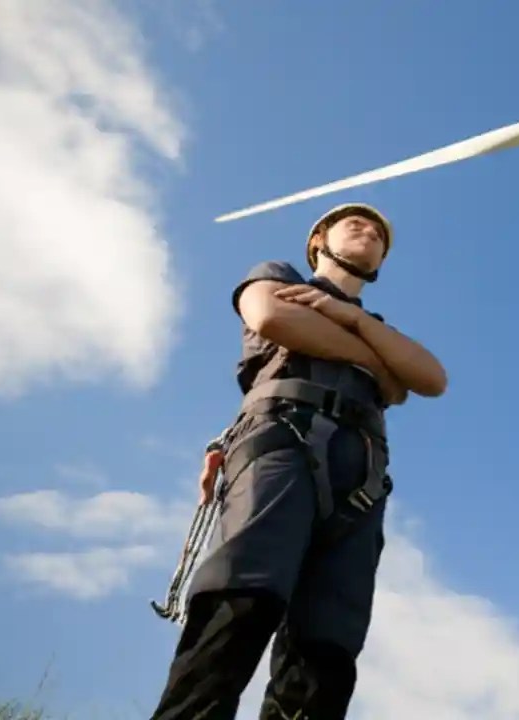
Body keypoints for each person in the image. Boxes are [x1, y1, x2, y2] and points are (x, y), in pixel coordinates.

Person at [150, 201, 447, 719]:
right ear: (317, 241)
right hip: (283, 439)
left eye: (379, 232)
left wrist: (351, 320)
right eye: (352, 222)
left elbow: (429, 379)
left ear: (378, 268)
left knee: (330, 638)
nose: (369, 228)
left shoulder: (373, 323)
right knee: (243, 597)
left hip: (362, 478)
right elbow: (270, 315)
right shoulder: (277, 275)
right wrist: (375, 360)